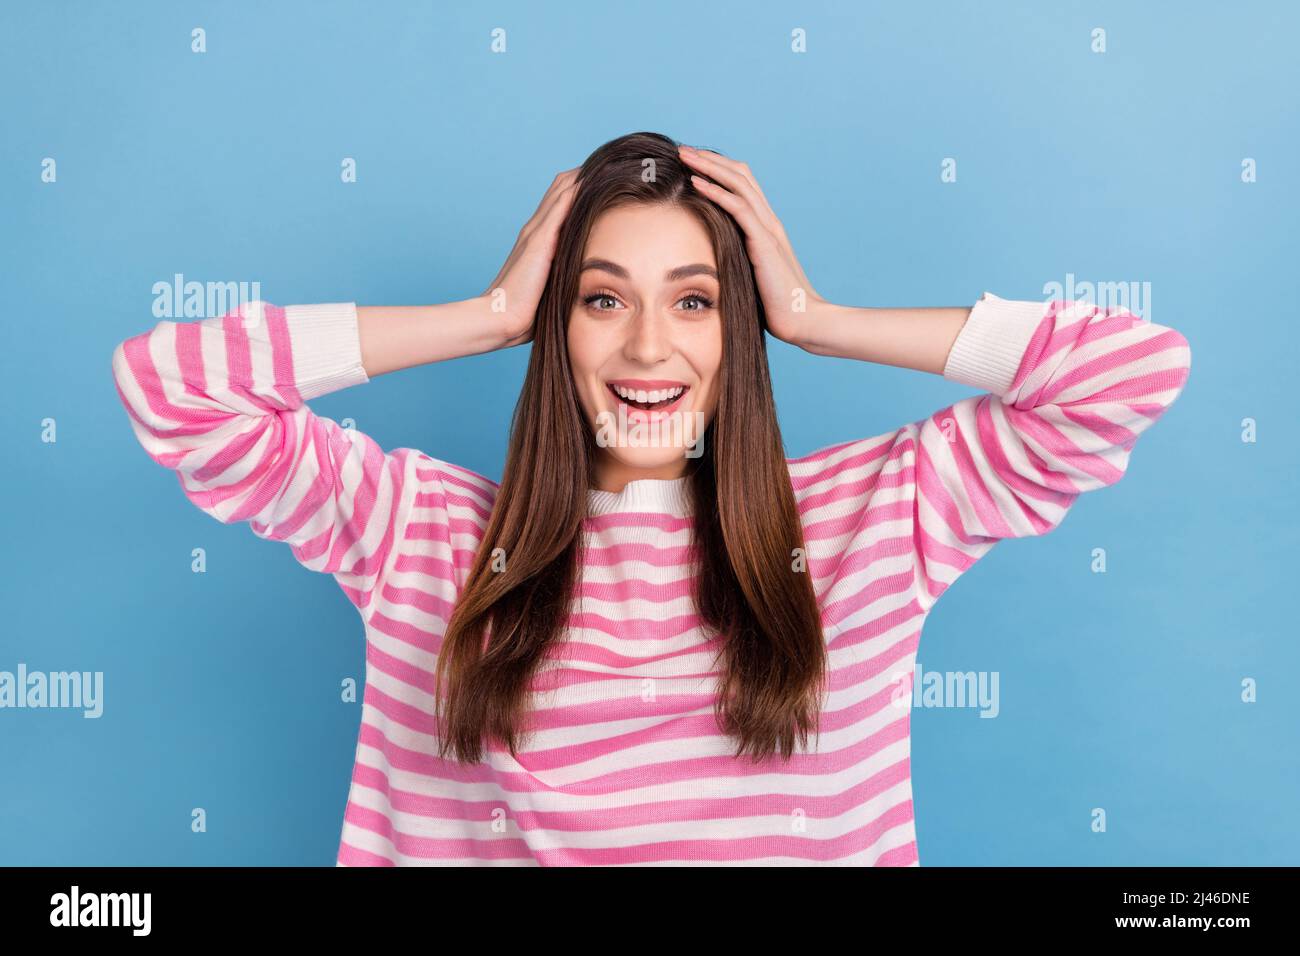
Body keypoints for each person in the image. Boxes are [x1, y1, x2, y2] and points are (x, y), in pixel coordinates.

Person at [110, 131, 1192, 865]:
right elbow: (174, 388)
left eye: (695, 301)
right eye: (597, 299)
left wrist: (814, 314)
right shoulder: (423, 535)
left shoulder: (873, 518)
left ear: (741, 329)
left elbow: (1132, 371)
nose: (646, 345)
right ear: (556, 325)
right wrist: (485, 312)